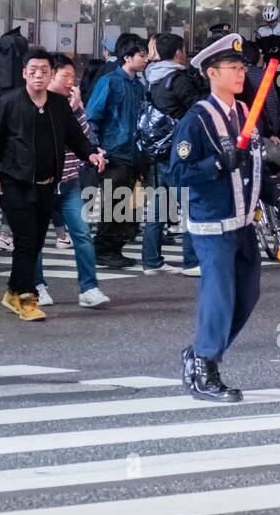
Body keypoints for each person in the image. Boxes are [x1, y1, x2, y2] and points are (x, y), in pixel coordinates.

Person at [169, 34, 280, 402]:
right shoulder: (197, 120)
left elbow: (255, 168)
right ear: (211, 73)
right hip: (213, 224)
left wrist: (278, 197)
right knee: (219, 296)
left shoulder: (244, 114)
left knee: (247, 295)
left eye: (241, 67)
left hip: (243, 223)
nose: (241, 73)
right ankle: (204, 364)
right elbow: (177, 173)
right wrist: (216, 163)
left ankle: (203, 351)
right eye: (233, 68)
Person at [0, 47, 104, 321]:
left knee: (34, 242)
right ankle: (25, 298)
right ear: (24, 73)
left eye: (44, 71)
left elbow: (75, 137)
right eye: (33, 71)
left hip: (48, 185)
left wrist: (91, 153)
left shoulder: (58, 106)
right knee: (26, 241)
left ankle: (13, 291)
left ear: (50, 75)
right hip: (15, 183)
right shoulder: (9, 103)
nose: (39, 75)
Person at [33, 54, 110, 308]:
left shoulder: (71, 104)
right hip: (40, 185)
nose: (70, 82)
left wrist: (77, 110)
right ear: (50, 76)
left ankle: (89, 288)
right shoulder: (38, 104)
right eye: (65, 76)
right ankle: (37, 287)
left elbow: (85, 138)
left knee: (82, 233)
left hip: (68, 183)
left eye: (72, 77)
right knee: (34, 238)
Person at [142, 33, 204, 276]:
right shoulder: (177, 78)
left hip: (158, 149)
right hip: (180, 150)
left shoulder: (151, 77)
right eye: (184, 49)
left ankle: (152, 262)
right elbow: (198, 107)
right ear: (178, 51)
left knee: (158, 207)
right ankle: (191, 262)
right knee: (189, 206)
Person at [85, 35, 148, 268]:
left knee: (122, 206)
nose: (145, 60)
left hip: (131, 154)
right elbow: (92, 116)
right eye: (141, 55)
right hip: (112, 153)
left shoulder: (139, 86)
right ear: (127, 57)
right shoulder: (110, 81)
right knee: (114, 205)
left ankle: (111, 249)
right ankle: (103, 250)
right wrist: (96, 148)